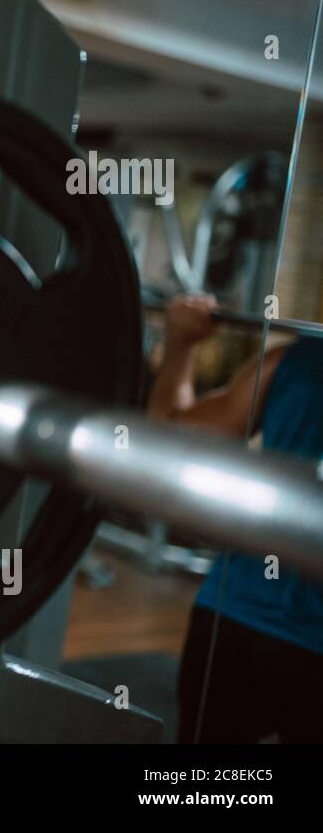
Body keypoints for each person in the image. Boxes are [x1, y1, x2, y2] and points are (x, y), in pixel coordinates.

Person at [147, 293, 323, 742]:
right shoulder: (294, 362)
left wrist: (181, 344)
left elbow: (163, 429)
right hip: (245, 621)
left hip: (236, 624)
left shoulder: (293, 363)